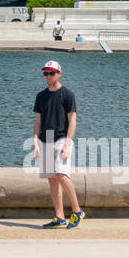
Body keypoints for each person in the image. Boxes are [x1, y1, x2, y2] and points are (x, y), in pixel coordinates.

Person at [34, 60, 83, 229]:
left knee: (61, 175)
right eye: (46, 73)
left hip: (62, 138)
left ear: (59, 74)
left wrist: (68, 143)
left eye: (51, 73)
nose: (48, 76)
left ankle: (77, 211)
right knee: (52, 180)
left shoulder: (67, 95)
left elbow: (73, 120)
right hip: (44, 138)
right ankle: (59, 216)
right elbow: (37, 121)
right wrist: (34, 140)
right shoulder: (41, 96)